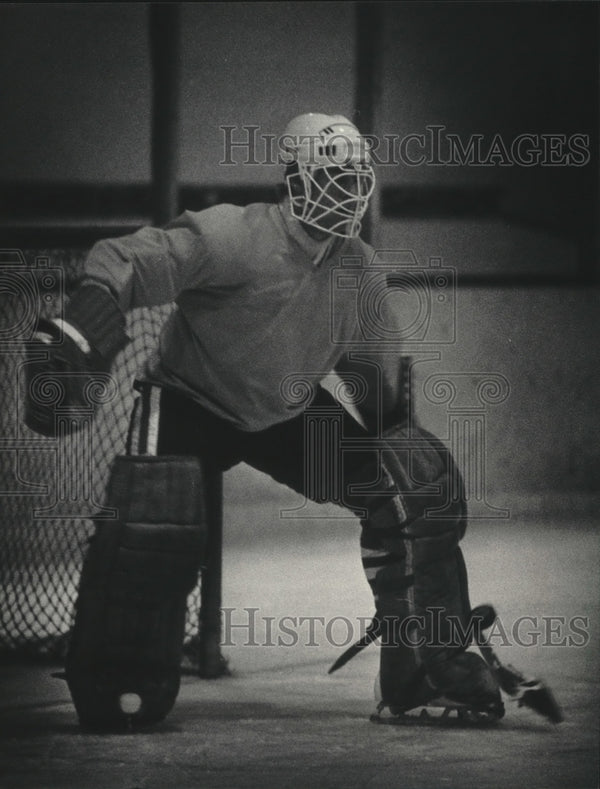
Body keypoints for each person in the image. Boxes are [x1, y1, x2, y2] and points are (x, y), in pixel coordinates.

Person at [26, 113, 503, 730]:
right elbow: (124, 258)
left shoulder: (359, 272)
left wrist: (401, 449)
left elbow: (373, 383)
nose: (346, 191)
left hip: (287, 410)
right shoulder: (235, 235)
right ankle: (119, 677)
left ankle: (423, 668)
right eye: (332, 177)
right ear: (293, 180)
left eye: (355, 179)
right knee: (151, 527)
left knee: (413, 490)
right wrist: (87, 318)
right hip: (187, 399)